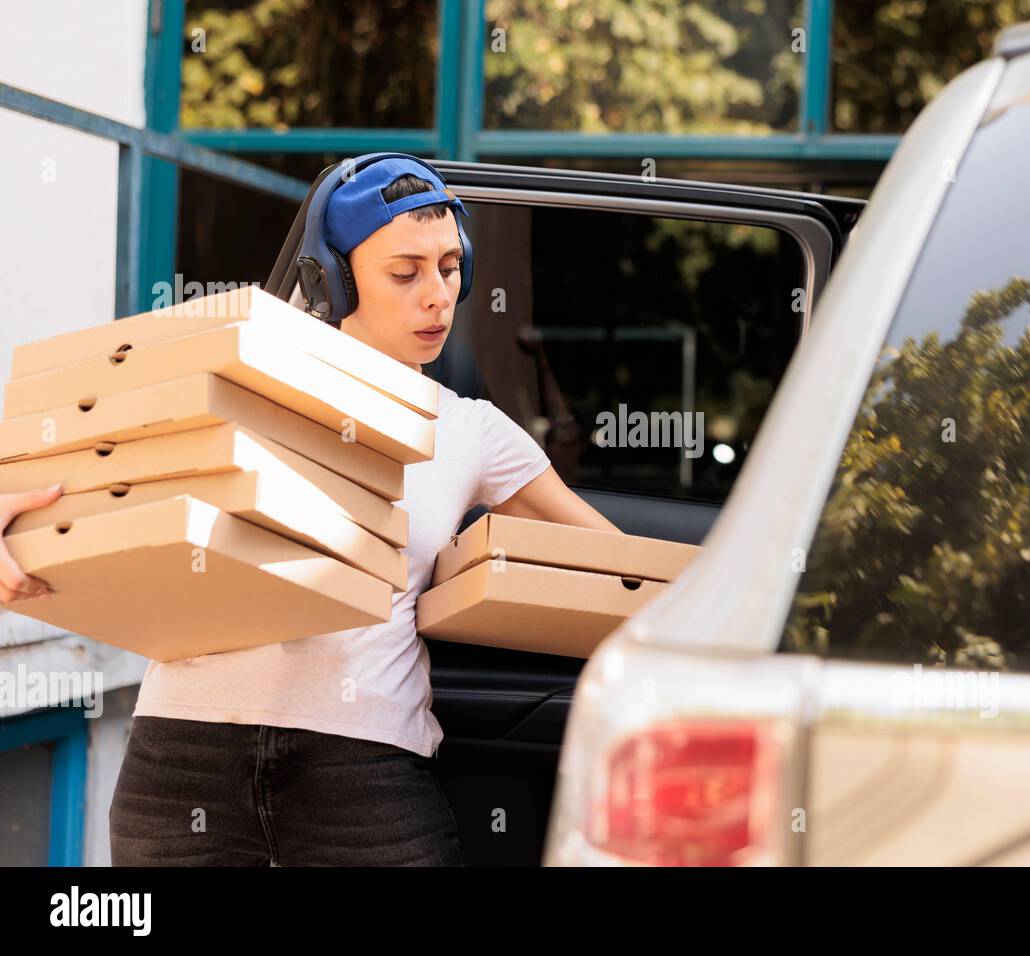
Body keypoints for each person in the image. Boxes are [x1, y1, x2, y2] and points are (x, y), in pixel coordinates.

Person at [0, 157, 619, 866]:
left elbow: (611, 566)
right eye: (405, 272)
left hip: (361, 774)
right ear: (336, 277)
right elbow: (77, 477)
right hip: (183, 758)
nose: (438, 297)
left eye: (450, 267)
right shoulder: (236, 384)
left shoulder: (472, 431)